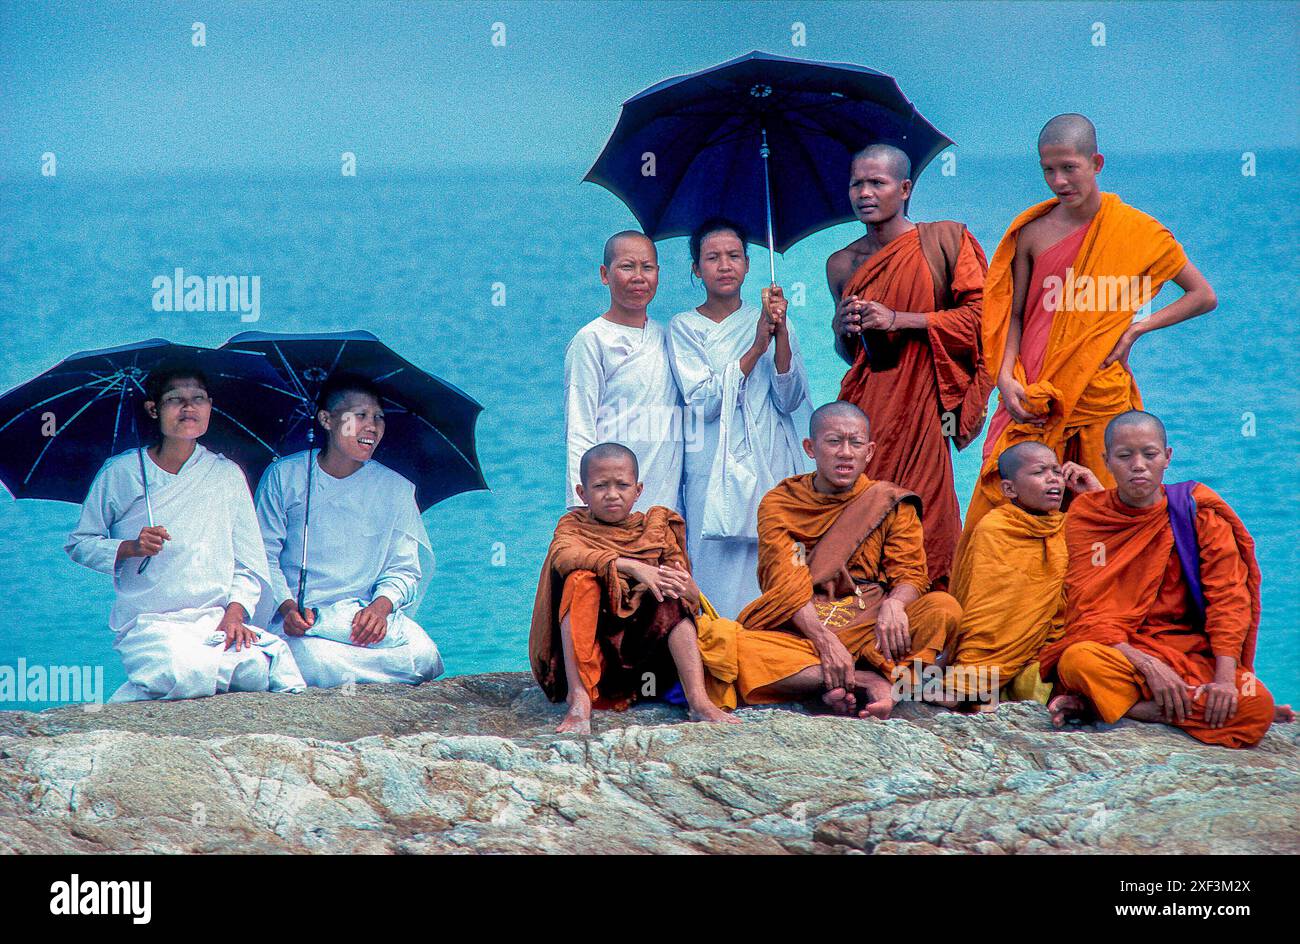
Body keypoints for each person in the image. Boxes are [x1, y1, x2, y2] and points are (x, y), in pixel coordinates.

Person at [964, 114, 1218, 539]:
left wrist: (1138, 327)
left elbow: (1202, 296)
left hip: (1101, 391)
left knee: (1105, 512)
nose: (1059, 180)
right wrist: (1004, 376)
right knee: (1006, 510)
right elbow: (1016, 314)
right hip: (1034, 391)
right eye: (1048, 169)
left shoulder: (1136, 231)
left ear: (1096, 163)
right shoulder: (1032, 234)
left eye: (1069, 167)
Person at [1040, 411, 1293, 748]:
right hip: (1125, 650)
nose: (1139, 465)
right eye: (1125, 456)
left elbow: (1228, 599)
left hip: (1189, 652)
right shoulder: (1089, 515)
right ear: (1107, 461)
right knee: (1078, 661)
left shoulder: (1198, 513)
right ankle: (1162, 709)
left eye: (1150, 454)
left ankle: (1113, 709)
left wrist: (1223, 682)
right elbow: (1090, 611)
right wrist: (1147, 665)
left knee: (1255, 705)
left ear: (1167, 457)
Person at [65, 365, 305, 702]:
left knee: (255, 670)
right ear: (154, 409)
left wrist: (235, 615)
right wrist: (130, 547)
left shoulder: (226, 475)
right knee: (184, 670)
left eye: (198, 400)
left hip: (212, 619)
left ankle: (153, 684)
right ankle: (147, 685)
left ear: (210, 407)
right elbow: (80, 544)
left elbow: (249, 562)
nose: (188, 408)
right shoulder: (121, 473)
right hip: (150, 623)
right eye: (175, 400)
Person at [733, 401, 962, 719]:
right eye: (834, 441)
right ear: (810, 448)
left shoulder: (890, 501)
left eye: (855, 443)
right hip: (804, 624)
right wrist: (825, 641)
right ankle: (870, 680)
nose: (845, 452)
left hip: (872, 623)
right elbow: (784, 582)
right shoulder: (781, 503)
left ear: (869, 451)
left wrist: (895, 604)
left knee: (943, 608)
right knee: (730, 647)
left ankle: (827, 683)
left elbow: (911, 574)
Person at [829, 143, 990, 587]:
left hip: (925, 406)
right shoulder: (841, 264)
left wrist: (900, 319)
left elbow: (984, 319)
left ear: (903, 189)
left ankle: (929, 617)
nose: (865, 192)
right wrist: (844, 329)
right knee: (862, 510)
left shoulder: (944, 241)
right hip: (869, 404)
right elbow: (851, 355)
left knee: (926, 509)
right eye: (856, 183)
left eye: (876, 183)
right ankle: (867, 621)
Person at [530, 442, 739, 733]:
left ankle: (699, 701)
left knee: (668, 592)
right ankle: (579, 700)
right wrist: (628, 565)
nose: (612, 494)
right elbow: (563, 556)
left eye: (622, 485)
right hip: (599, 663)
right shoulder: (573, 526)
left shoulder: (655, 528)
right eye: (601, 486)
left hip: (648, 665)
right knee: (580, 581)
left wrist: (686, 586)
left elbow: (690, 597)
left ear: (638, 490)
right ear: (582, 493)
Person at [254, 373, 443, 688]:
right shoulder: (284, 477)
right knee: (314, 661)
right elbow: (263, 556)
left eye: (379, 418)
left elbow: (405, 570)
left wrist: (379, 609)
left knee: (425, 657)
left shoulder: (395, 488)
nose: (372, 426)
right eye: (360, 416)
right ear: (326, 419)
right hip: (303, 620)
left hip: (362, 619)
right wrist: (287, 607)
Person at [666, 218, 813, 618]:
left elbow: (789, 397)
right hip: (712, 459)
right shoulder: (684, 328)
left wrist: (779, 333)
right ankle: (718, 645)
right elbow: (704, 401)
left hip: (767, 452)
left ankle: (770, 646)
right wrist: (757, 345)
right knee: (714, 554)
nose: (724, 265)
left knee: (769, 552)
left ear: (749, 264)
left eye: (734, 256)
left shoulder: (771, 318)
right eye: (712, 258)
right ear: (697, 268)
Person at [946, 441, 1102, 706]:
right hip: (991, 651)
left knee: (1071, 673)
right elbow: (988, 610)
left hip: (1048, 649)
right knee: (958, 690)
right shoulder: (995, 528)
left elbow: (1106, 562)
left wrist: (1096, 495)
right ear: (1009, 488)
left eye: (1056, 471)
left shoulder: (1071, 527)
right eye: (1039, 472)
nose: (1053, 479)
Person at [564, 231, 683, 514]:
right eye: (627, 267)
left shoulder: (666, 337)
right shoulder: (592, 340)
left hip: (665, 502)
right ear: (605, 274)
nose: (639, 277)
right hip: (610, 501)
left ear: (658, 274)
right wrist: (581, 510)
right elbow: (579, 428)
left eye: (648, 267)